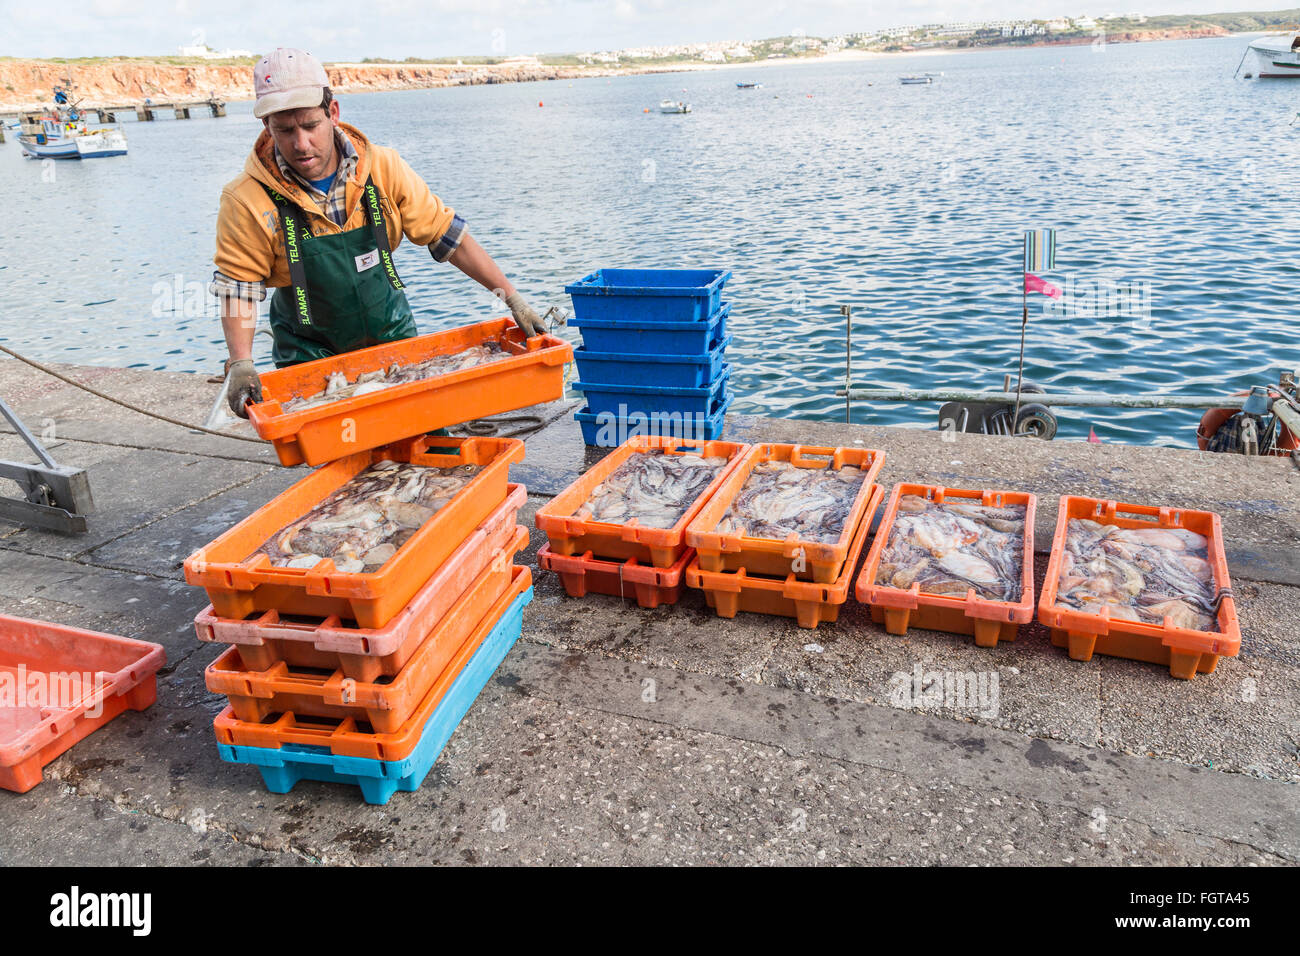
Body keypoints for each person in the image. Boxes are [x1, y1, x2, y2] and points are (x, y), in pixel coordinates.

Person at [211, 47, 544, 417]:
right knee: (343, 457)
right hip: (310, 354)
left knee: (430, 438)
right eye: (285, 131)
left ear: (333, 113)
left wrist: (512, 298)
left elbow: (447, 237)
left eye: (310, 126)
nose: (301, 144)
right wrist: (241, 362)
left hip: (393, 341)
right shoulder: (245, 199)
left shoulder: (383, 168)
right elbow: (239, 287)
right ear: (267, 128)